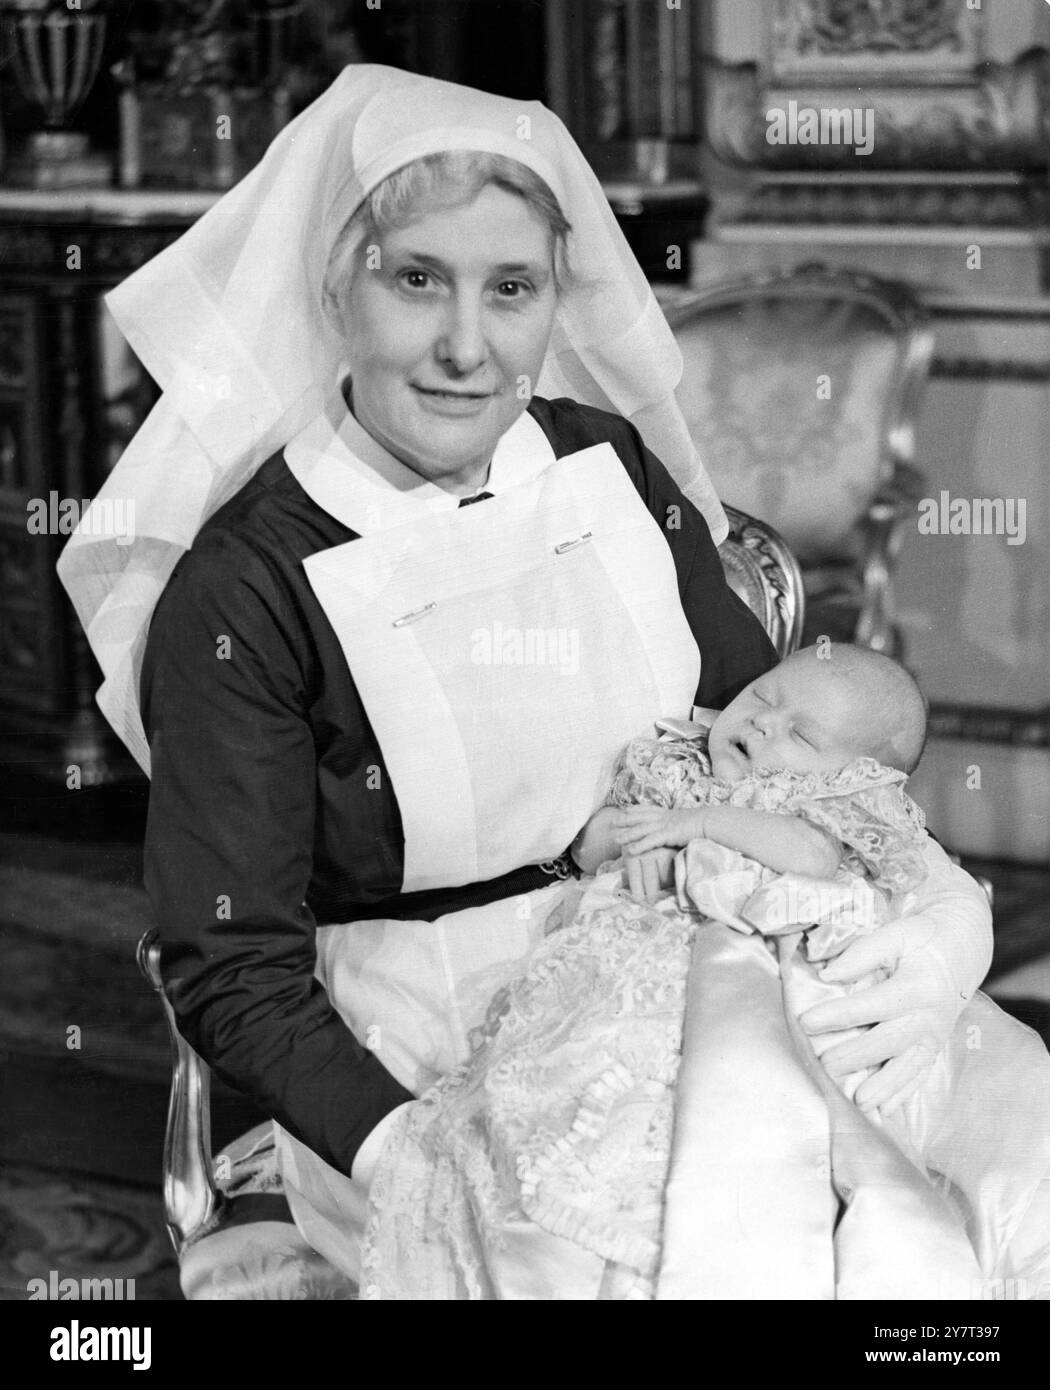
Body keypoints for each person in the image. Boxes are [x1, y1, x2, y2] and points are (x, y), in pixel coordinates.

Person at [57, 67, 995, 1299]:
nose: (466, 345)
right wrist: (407, 1152)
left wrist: (944, 925)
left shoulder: (608, 466)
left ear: (562, 295)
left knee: (985, 1184)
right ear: (334, 285)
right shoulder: (246, 588)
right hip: (426, 1049)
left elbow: (795, 753)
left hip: (707, 965)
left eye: (512, 289)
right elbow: (233, 967)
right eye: (416, 279)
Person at [359, 645, 1050, 1301]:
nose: (761, 722)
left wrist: (699, 824)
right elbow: (592, 839)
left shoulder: (812, 806)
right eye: (761, 697)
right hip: (634, 951)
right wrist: (625, 839)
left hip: (761, 955)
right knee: (588, 1073)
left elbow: (808, 856)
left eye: (801, 737)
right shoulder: (672, 762)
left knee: (766, 1086)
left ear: (848, 774)